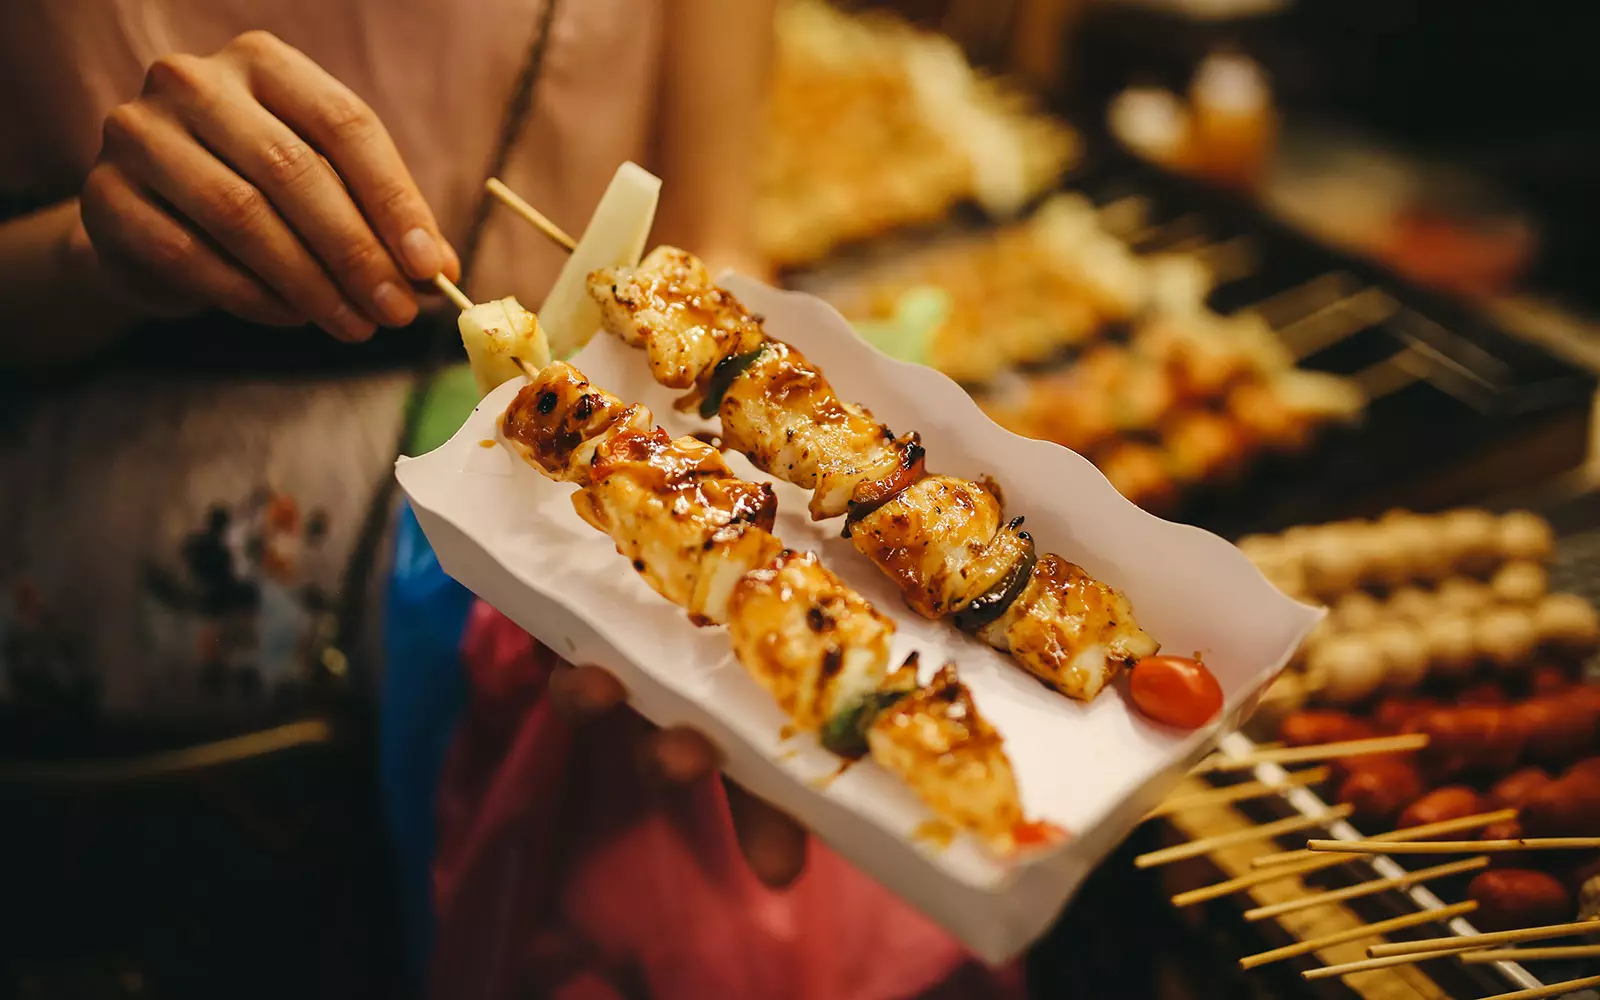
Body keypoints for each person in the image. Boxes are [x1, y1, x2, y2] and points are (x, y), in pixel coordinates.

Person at [0, 4, 1026, 999]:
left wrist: (752, 592)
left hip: (551, 563)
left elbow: (716, 246)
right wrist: (93, 253)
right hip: (137, 600)